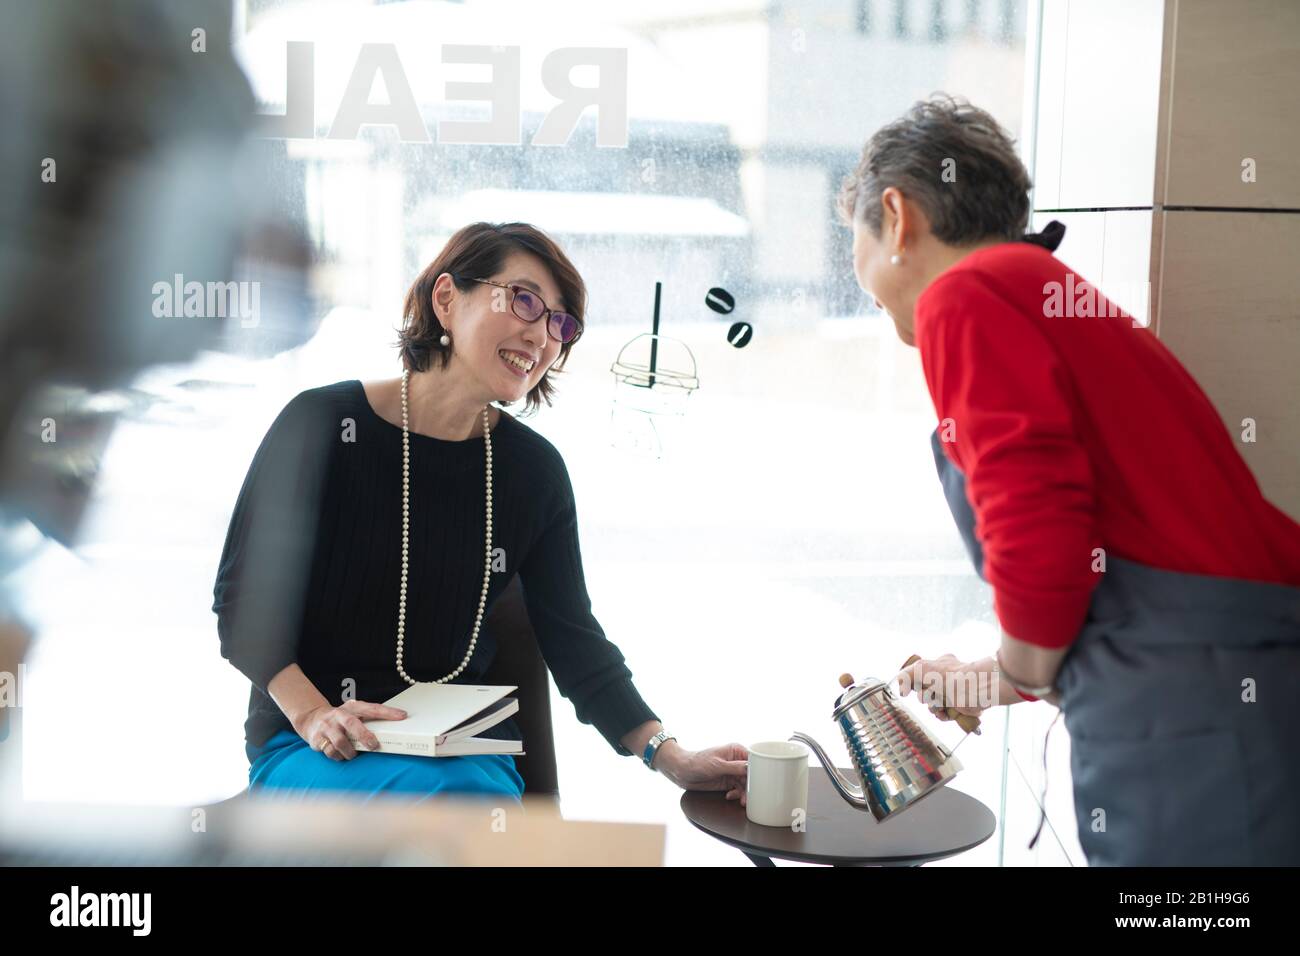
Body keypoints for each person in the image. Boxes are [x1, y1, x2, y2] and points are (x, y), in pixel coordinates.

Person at [837, 94, 1300, 865]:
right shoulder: (1043, 290)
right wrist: (998, 677)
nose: (869, 292)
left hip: (1186, 704)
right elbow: (1091, 565)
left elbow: (1043, 536)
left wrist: (1014, 668)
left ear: (897, 215)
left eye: (856, 246)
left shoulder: (968, 296)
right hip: (1214, 679)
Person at [212, 221, 748, 807]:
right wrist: (314, 714)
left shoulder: (532, 472)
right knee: (454, 812)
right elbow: (242, 603)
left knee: (466, 801)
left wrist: (671, 757)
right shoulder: (320, 425)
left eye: (559, 324)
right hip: (312, 747)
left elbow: (574, 641)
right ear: (446, 298)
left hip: (462, 758)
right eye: (524, 300)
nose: (542, 336)